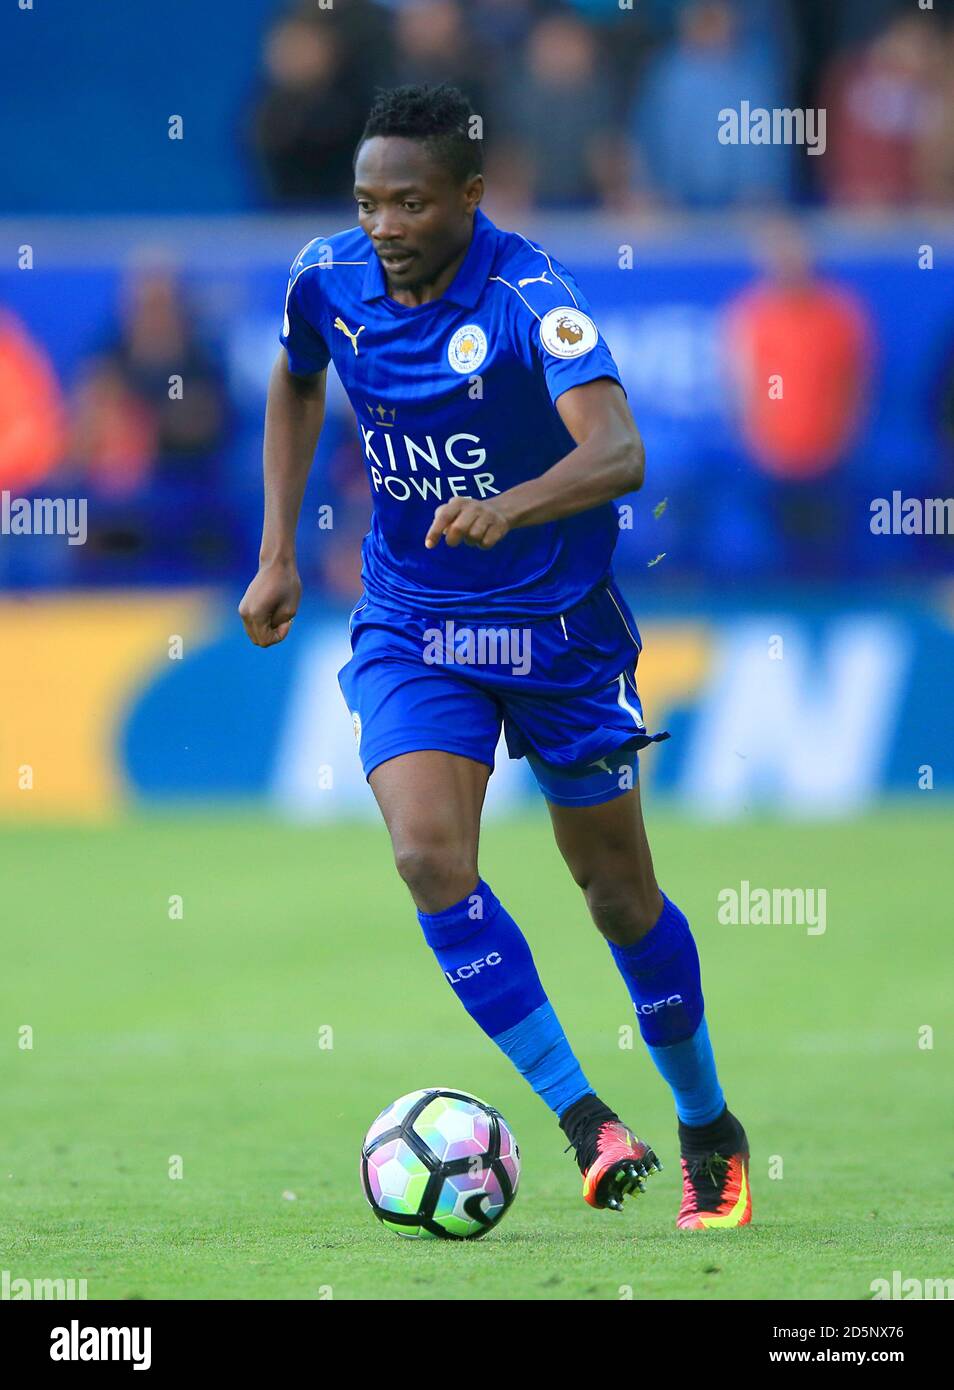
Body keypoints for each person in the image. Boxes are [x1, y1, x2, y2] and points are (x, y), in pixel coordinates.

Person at [239, 84, 751, 1230]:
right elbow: (295, 376)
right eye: (368, 200)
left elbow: (619, 452)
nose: (383, 223)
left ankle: (709, 1122)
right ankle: (583, 1118)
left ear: (470, 198)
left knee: (617, 895)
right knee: (428, 855)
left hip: (559, 634)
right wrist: (276, 550)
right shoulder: (326, 276)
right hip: (417, 622)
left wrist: (511, 505)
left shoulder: (532, 296)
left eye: (410, 202)